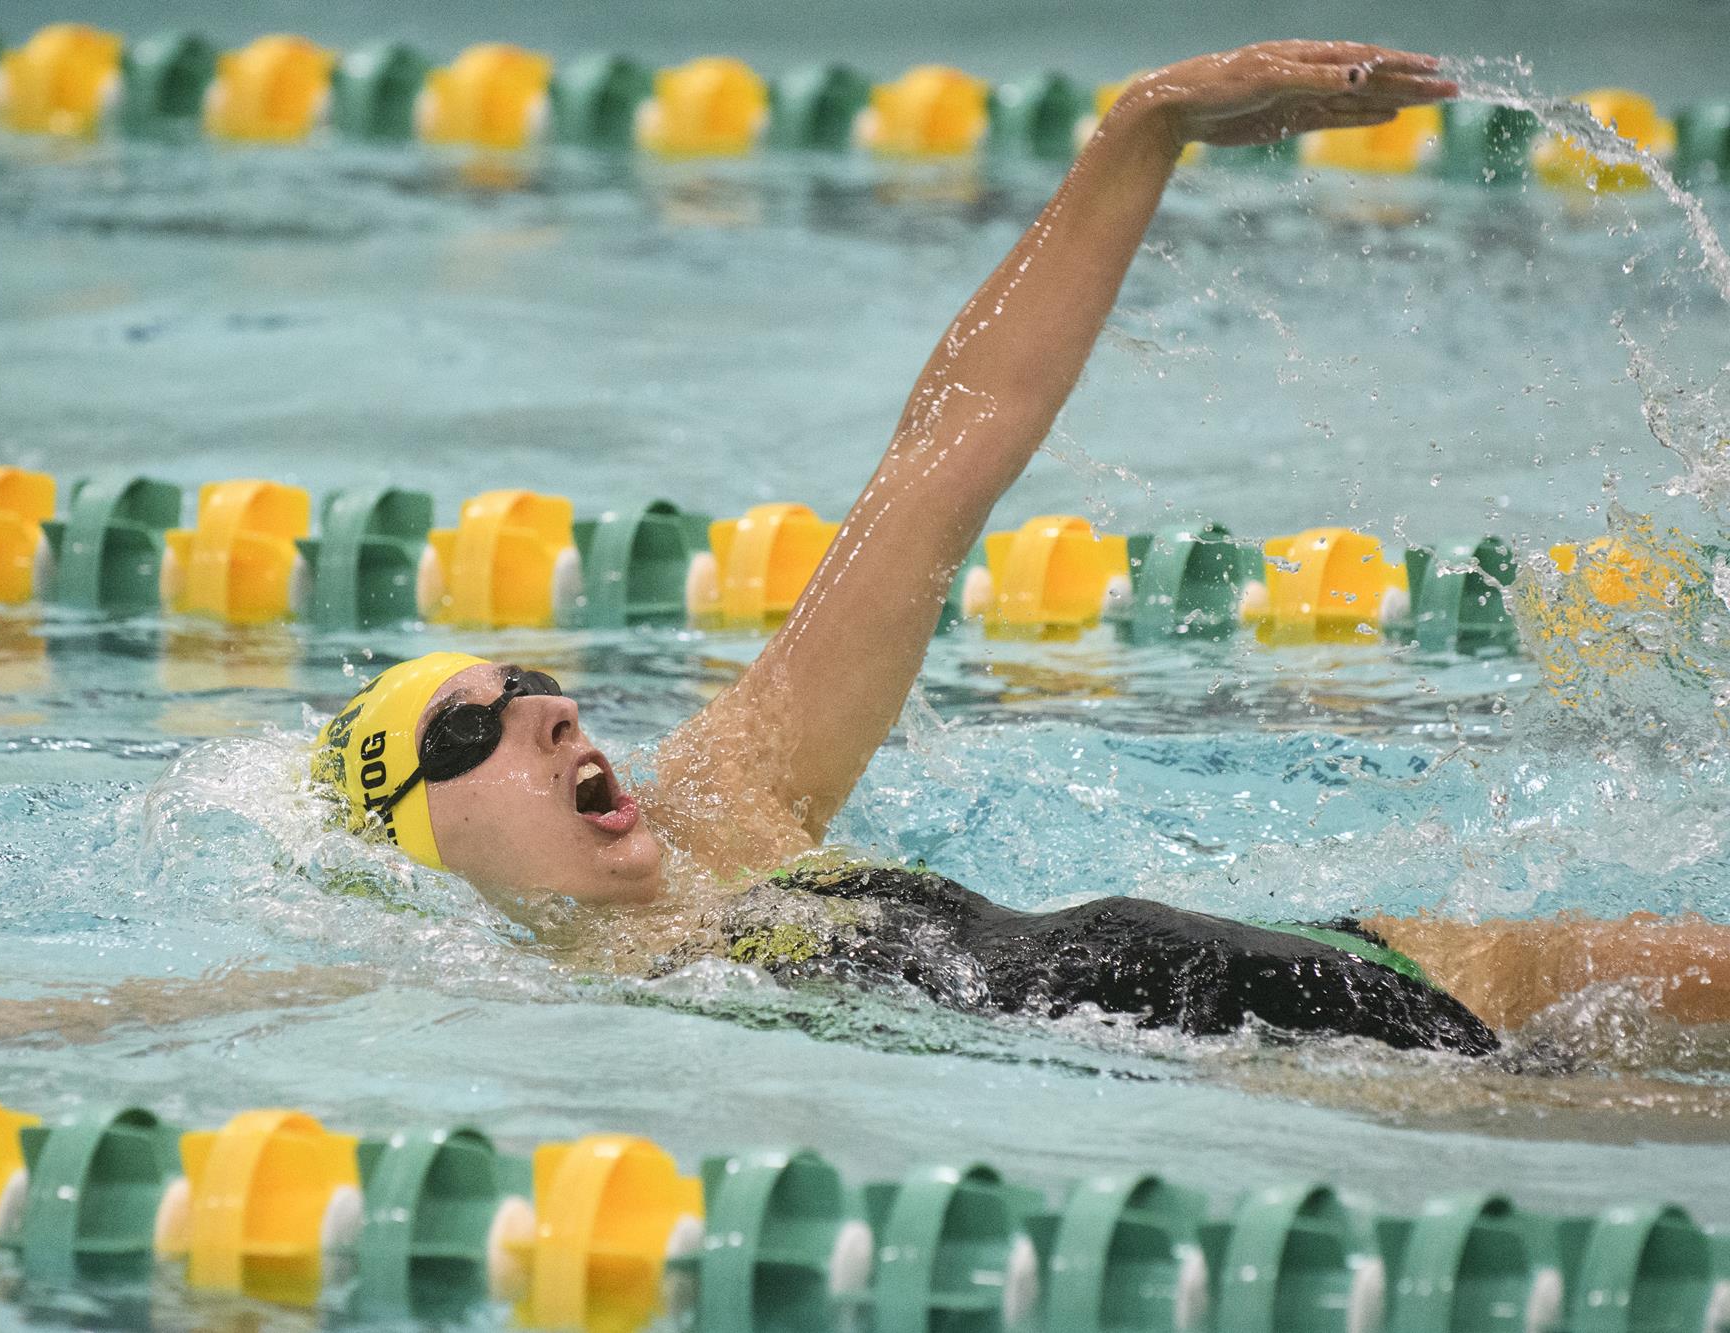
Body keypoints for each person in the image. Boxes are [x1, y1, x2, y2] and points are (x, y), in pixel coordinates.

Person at [310, 42, 1730, 1058]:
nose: (546, 706)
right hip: (1383, 1087)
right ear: (423, 854)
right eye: (468, 732)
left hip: (1410, 958)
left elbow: (949, 448)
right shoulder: (567, 1006)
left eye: (529, 679)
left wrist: (1144, 128)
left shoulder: (729, 811)